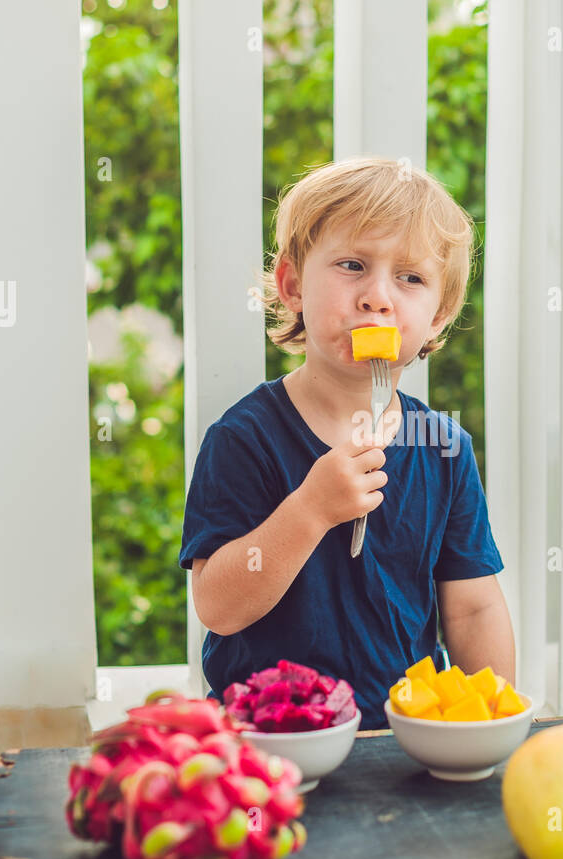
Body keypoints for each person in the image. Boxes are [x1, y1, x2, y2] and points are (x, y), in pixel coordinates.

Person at [178, 156, 515, 729]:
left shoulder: (444, 447)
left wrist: (497, 723)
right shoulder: (243, 439)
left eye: (410, 278)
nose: (377, 297)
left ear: (440, 315)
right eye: (353, 265)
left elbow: (475, 606)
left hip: (405, 736)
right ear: (291, 286)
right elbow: (218, 606)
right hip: (272, 739)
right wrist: (310, 510)